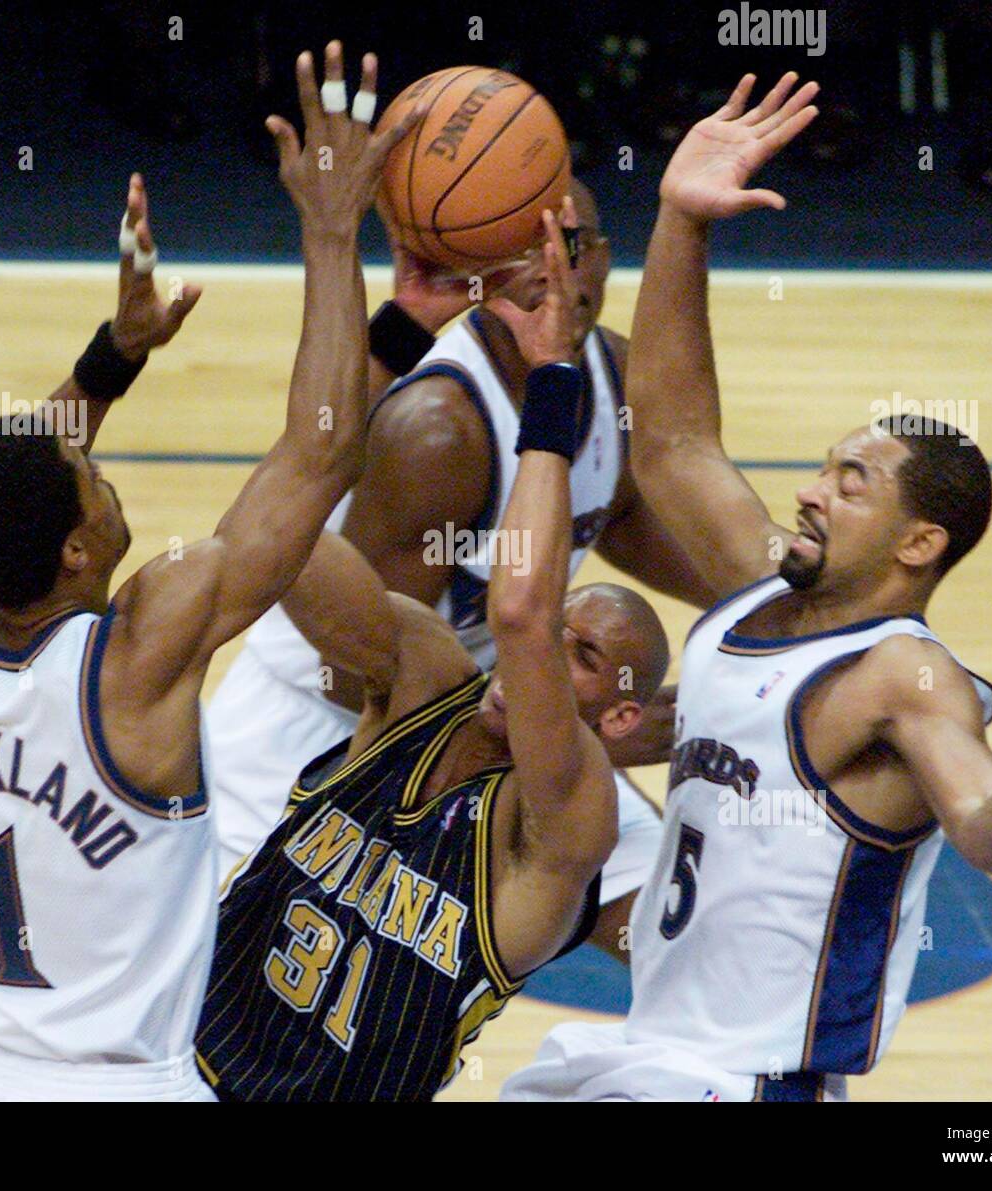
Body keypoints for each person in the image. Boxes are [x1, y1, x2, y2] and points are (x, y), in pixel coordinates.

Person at [503, 72, 992, 1103]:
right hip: (650, 1053)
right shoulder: (757, 599)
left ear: (918, 540)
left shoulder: (901, 674)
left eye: (851, 483)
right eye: (822, 468)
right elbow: (668, 439)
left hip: (741, 1082)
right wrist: (680, 221)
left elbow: (968, 802)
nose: (808, 492)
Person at [0, 42, 412, 1100]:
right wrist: (332, 230)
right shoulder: (137, 651)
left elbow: (7, 478)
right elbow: (319, 453)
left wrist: (114, 356)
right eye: (84, 472)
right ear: (79, 550)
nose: (94, 456)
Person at [194, 206, 671, 1101]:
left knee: (685, 927)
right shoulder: (424, 672)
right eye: (559, 624)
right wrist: (387, 322)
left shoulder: (573, 822)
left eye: (580, 657)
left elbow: (526, 614)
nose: (539, 648)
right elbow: (266, 527)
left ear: (614, 721)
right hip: (191, 1069)